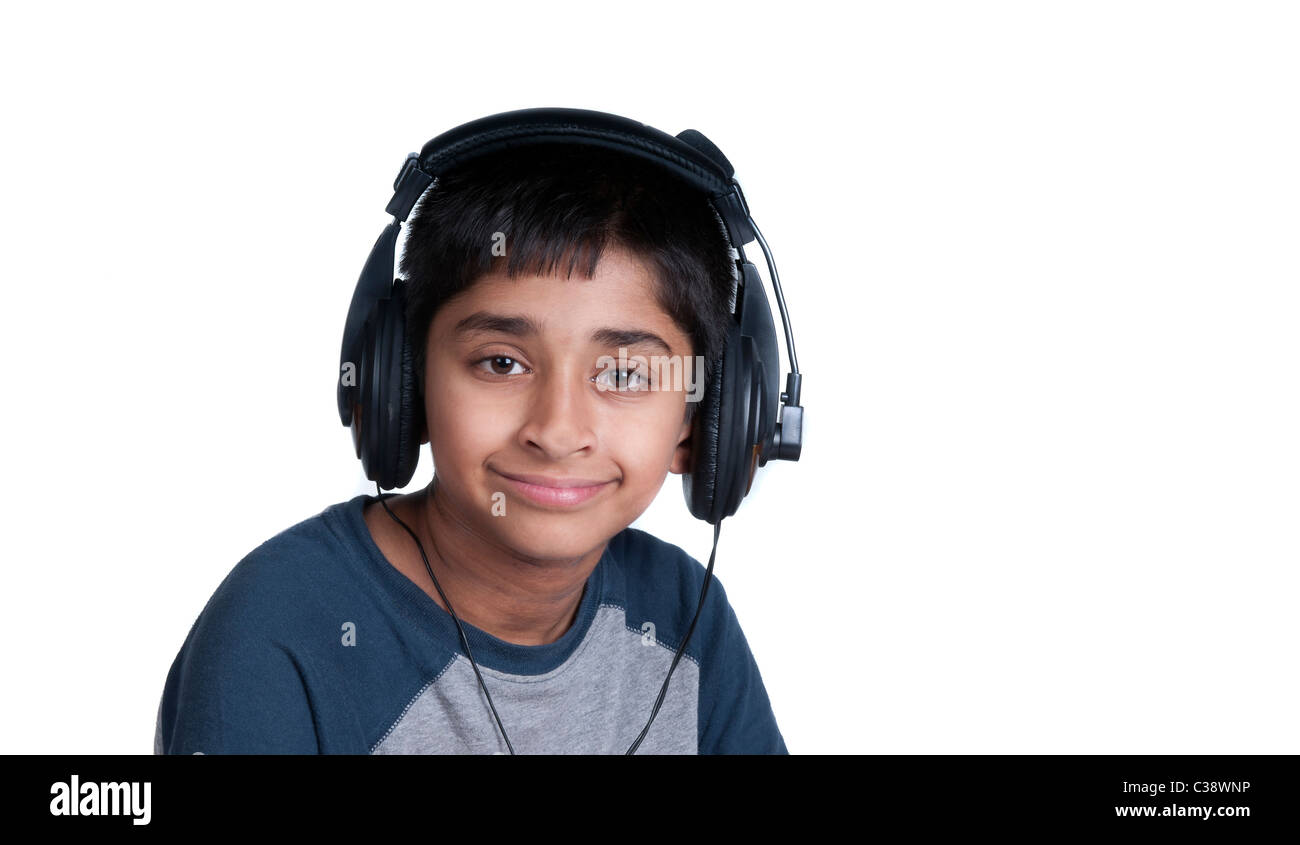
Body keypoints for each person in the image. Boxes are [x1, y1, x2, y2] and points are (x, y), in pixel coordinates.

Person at [153, 133, 788, 754]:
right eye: (502, 364)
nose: (559, 430)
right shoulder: (280, 629)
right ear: (404, 388)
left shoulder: (682, 617)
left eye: (624, 375)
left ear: (705, 424)